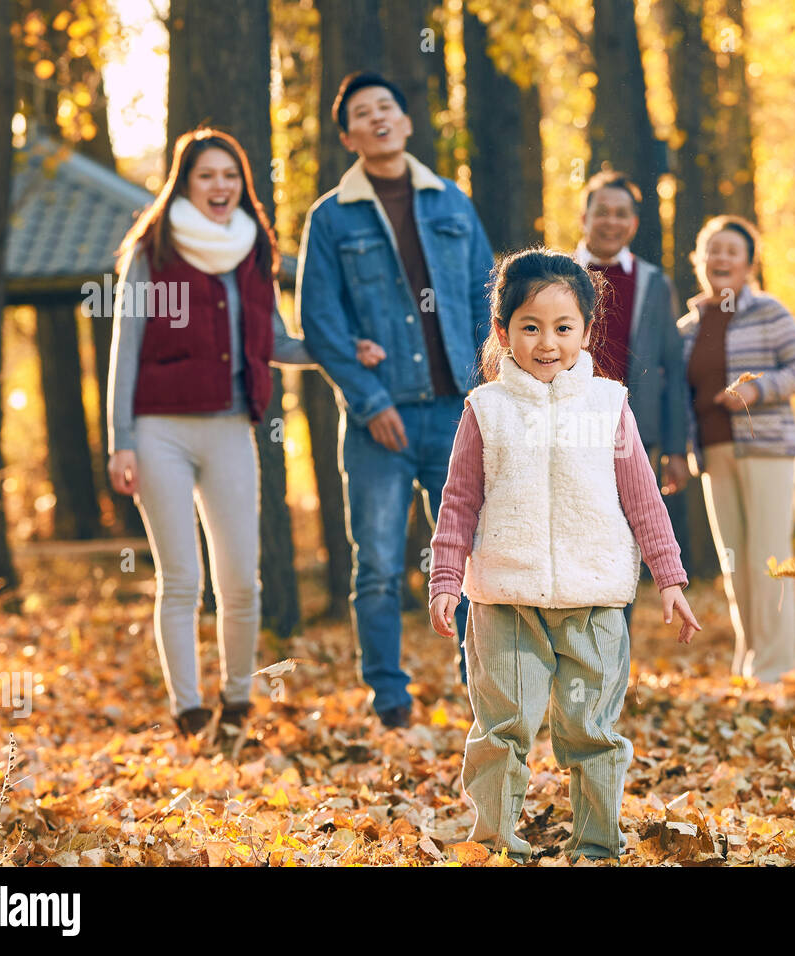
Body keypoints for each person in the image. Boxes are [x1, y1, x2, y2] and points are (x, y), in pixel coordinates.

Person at [428, 249, 701, 862]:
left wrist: (671, 578)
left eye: (563, 327)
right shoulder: (486, 411)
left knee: (592, 733)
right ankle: (496, 841)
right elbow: (459, 503)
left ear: (586, 330)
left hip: (594, 602)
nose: (546, 342)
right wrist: (446, 578)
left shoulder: (608, 406)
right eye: (530, 327)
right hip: (505, 602)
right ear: (503, 332)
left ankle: (597, 844)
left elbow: (644, 500)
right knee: (502, 729)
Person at [107, 128, 328, 737]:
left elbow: (276, 342)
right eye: (207, 175)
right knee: (181, 578)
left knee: (240, 580)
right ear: (185, 183)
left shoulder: (256, 252)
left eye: (230, 175)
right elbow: (125, 349)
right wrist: (120, 440)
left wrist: (337, 350)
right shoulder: (153, 250)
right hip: (158, 433)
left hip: (232, 427)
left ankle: (236, 703)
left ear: (242, 185)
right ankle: (186, 708)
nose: (220, 186)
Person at [296, 72, 495, 729]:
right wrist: (370, 398)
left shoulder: (451, 205)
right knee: (378, 564)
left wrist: (482, 391)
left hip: (455, 414)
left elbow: (485, 300)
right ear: (349, 136)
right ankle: (390, 701)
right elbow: (320, 322)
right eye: (362, 113)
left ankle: (480, 695)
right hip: (376, 422)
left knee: (469, 562)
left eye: (388, 107)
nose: (378, 118)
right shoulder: (330, 218)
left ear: (406, 123)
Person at [679, 215, 795, 684]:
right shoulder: (688, 329)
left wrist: (759, 390)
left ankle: (778, 664)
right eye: (712, 250)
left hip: (767, 450)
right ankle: (751, 657)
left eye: (731, 252)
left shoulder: (770, 312)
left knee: (770, 559)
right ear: (699, 260)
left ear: (749, 264)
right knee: (735, 562)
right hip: (715, 455)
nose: (721, 259)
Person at [574, 170, 690, 635]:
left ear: (634, 223)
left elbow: (673, 370)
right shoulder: (557, 273)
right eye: (601, 211)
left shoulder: (653, 284)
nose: (610, 222)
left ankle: (610, 657)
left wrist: (677, 449)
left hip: (631, 438)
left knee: (620, 548)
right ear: (584, 216)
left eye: (621, 214)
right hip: (566, 431)